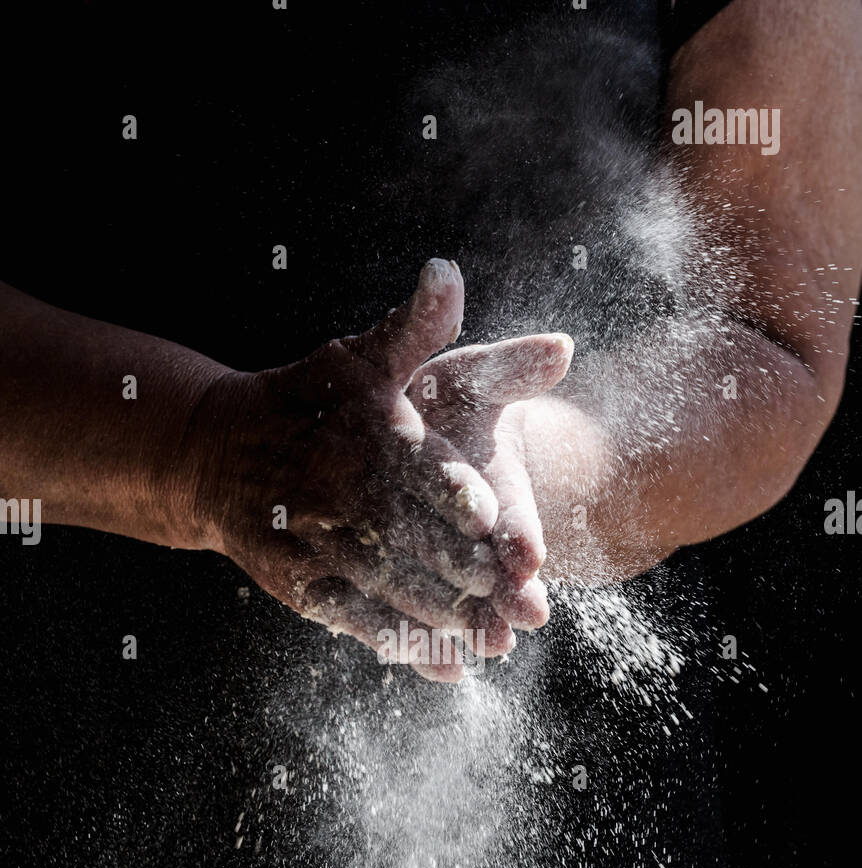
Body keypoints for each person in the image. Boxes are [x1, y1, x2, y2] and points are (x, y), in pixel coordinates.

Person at [2, 1, 859, 683]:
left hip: (558, 734)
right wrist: (198, 450)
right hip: (82, 685)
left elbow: (768, 338)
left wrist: (516, 457)